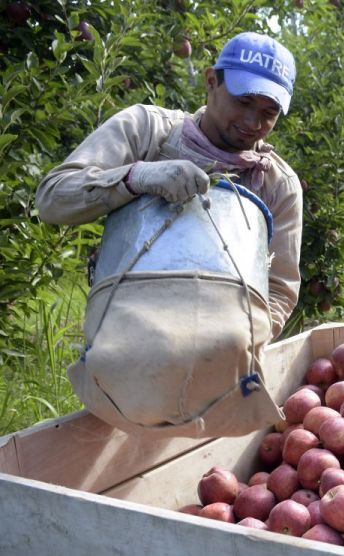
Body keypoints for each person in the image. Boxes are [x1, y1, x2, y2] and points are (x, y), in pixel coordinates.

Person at [36, 31, 302, 339]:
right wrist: (136, 177)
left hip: (220, 352)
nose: (253, 122)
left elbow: (279, 289)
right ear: (211, 82)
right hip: (123, 338)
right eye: (243, 101)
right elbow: (52, 198)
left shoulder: (277, 184)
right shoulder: (146, 130)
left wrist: (245, 346)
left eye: (269, 113)